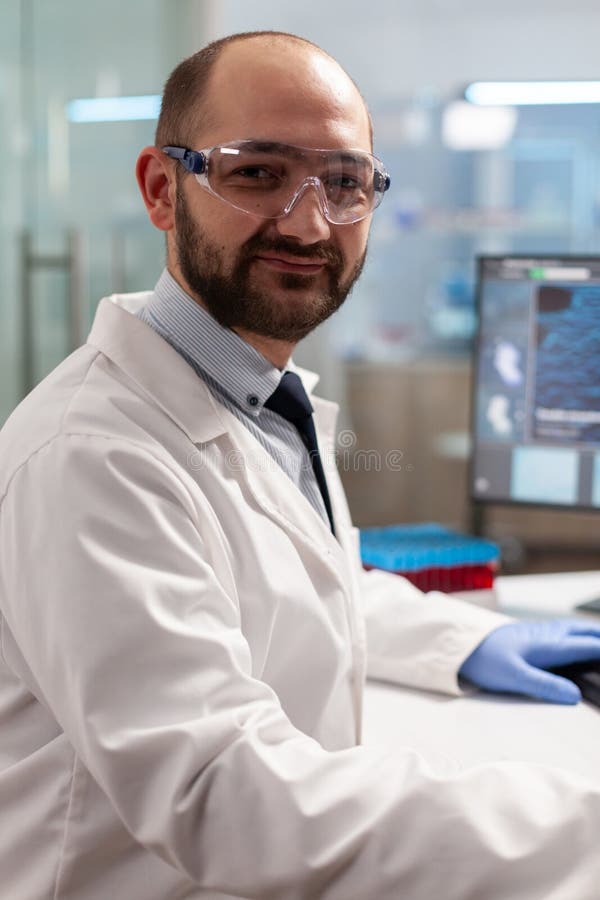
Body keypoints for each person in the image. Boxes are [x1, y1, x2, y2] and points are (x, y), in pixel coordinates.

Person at [1, 29, 600, 900]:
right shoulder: (90, 458)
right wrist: (580, 829)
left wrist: (470, 641)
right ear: (163, 189)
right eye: (257, 172)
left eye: (345, 183)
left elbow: (290, 586)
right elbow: (224, 791)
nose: (310, 221)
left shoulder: (258, 396)